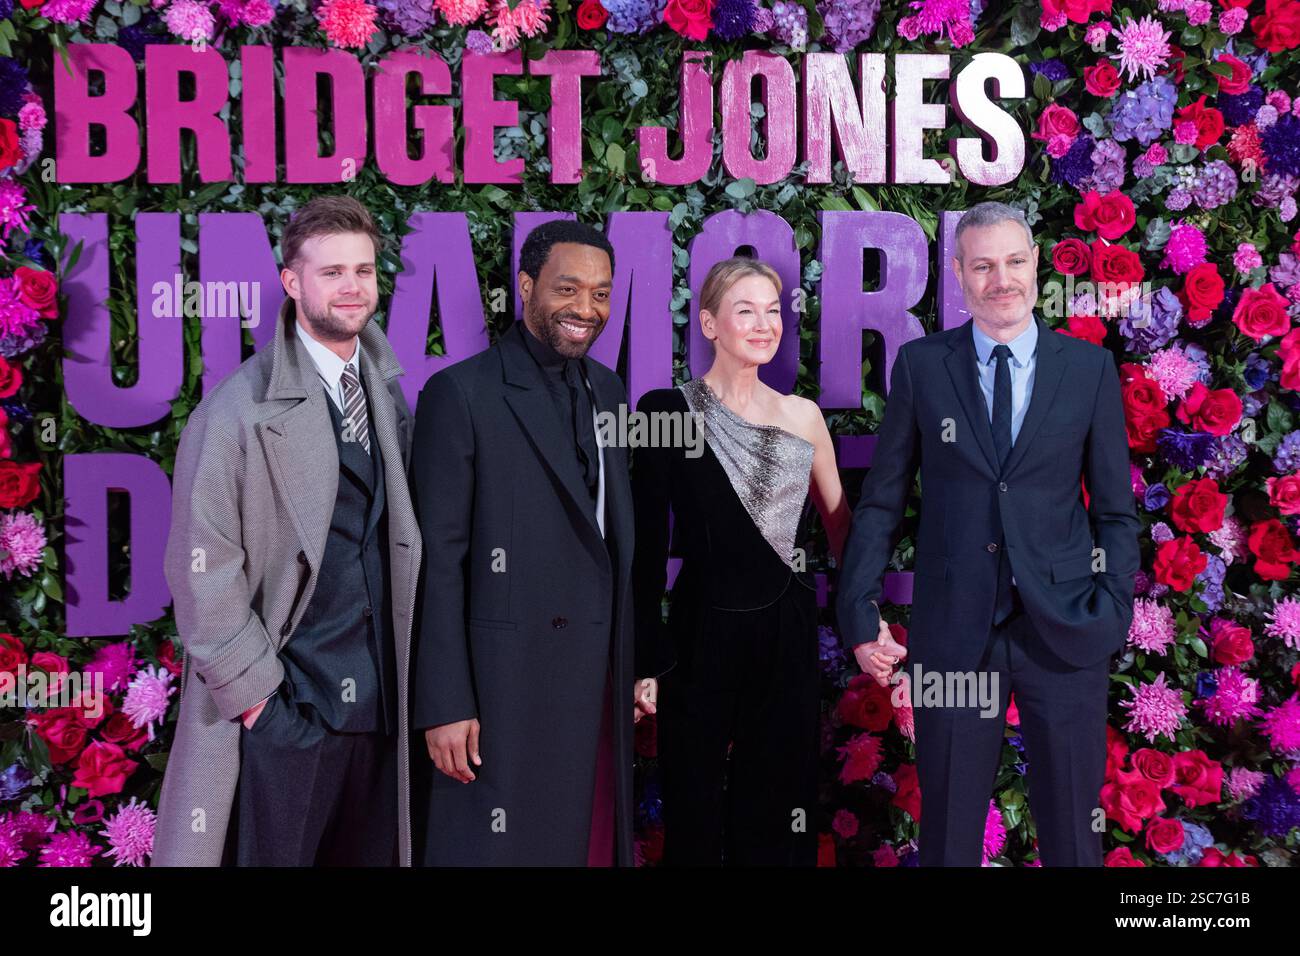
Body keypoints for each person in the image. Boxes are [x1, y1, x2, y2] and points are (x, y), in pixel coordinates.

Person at [836, 201, 1140, 866]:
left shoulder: (1086, 371)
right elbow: (884, 501)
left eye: (1012, 261)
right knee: (947, 832)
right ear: (960, 275)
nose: (999, 279)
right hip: (955, 632)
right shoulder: (921, 366)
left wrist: (1113, 608)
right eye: (982, 265)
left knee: (1074, 836)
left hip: (1063, 629)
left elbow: (1116, 511)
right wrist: (859, 611)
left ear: (1034, 264)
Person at [153, 195, 421, 866]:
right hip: (289, 715)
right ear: (291, 281)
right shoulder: (235, 411)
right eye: (332, 272)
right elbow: (200, 569)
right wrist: (260, 707)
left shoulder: (388, 396)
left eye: (364, 270)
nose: (353, 287)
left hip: (383, 713)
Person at [631, 256, 900, 865]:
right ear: (708, 324)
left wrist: (866, 620)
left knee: (780, 807)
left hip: (787, 631)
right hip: (698, 634)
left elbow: (842, 531)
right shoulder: (664, 411)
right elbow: (645, 545)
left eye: (773, 311)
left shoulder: (802, 416)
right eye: (745, 310)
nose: (763, 323)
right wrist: (643, 656)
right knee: (691, 805)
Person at [410, 220, 642, 865]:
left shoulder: (609, 390)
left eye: (601, 294)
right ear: (525, 286)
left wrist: (631, 666)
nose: (586, 310)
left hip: (594, 685)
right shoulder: (460, 394)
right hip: (501, 690)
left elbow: (614, 544)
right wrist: (445, 702)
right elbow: (439, 564)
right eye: (568, 289)